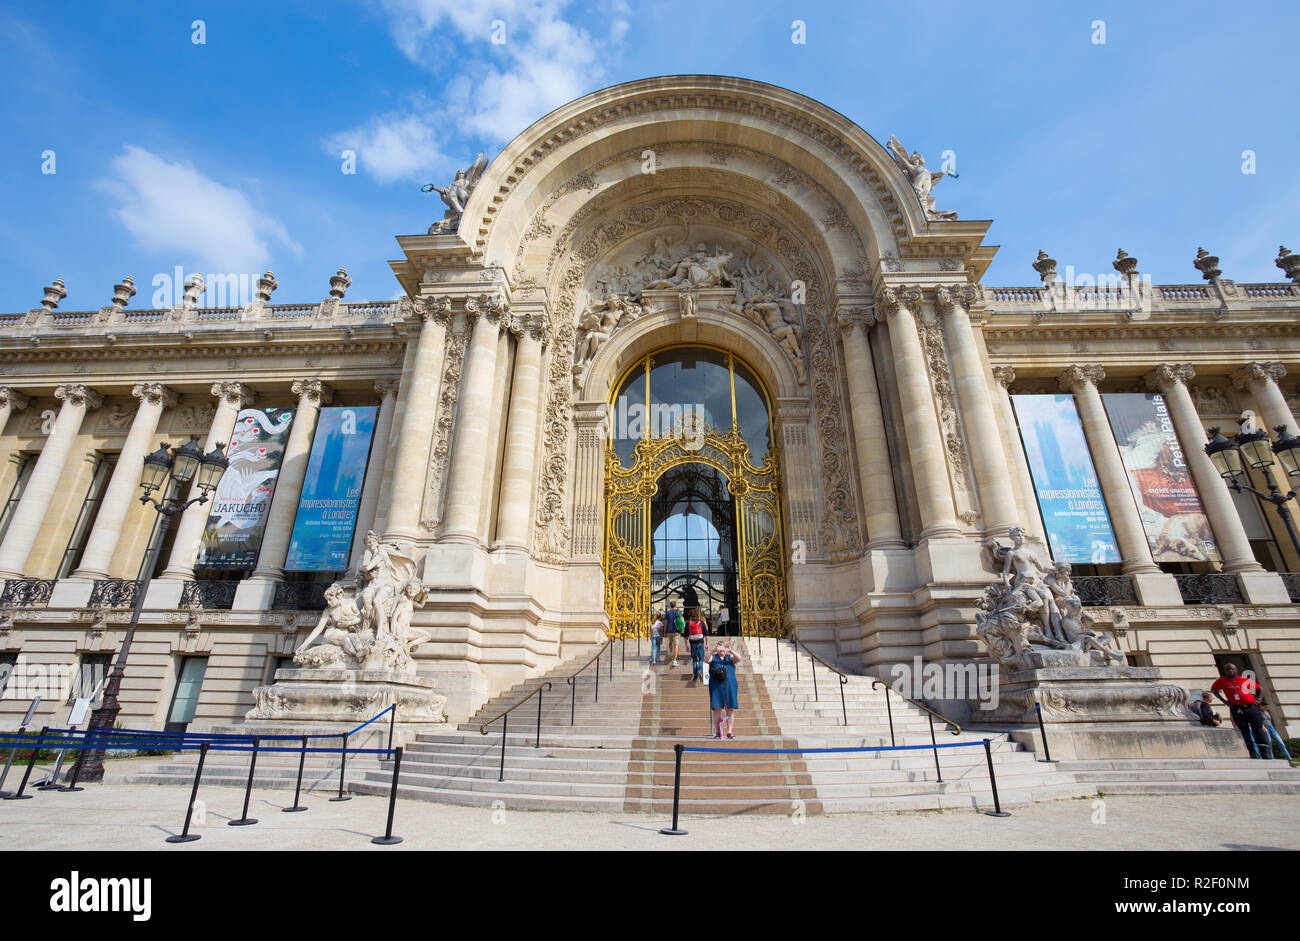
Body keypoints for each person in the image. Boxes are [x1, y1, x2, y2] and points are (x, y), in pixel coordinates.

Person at [1210, 663, 1269, 759]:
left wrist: (1259, 700)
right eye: (1228, 670)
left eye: (1232, 669)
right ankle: (1252, 752)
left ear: (1236, 670)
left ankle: (1265, 752)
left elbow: (1260, 688)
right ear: (1224, 671)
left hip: (1250, 707)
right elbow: (1213, 689)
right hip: (1236, 708)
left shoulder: (1244, 680)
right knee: (1243, 730)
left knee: (1257, 728)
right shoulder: (1222, 681)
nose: (1230, 671)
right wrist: (1224, 701)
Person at [705, 640, 742, 738]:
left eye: (723, 649)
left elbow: (739, 658)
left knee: (730, 709)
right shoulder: (714, 657)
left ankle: (729, 731)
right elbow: (706, 660)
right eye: (720, 649)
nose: (722, 651)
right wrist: (712, 650)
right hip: (716, 686)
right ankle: (718, 732)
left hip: (730, 686)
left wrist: (730, 650)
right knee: (717, 709)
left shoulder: (730, 658)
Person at [685, 606, 708, 684]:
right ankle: (700, 670)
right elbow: (706, 633)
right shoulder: (701, 622)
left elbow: (685, 636)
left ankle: (695, 675)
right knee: (701, 658)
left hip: (692, 642)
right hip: (700, 641)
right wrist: (707, 643)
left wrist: (686, 646)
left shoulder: (688, 623)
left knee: (694, 659)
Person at [664, 601, 684, 667]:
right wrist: (682, 629)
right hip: (676, 630)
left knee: (670, 642)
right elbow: (681, 621)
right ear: (676, 605)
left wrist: (665, 631)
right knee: (676, 645)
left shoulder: (668, 613)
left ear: (670, 606)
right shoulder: (678, 612)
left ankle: (671, 653)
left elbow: (665, 622)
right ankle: (674, 660)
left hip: (669, 630)